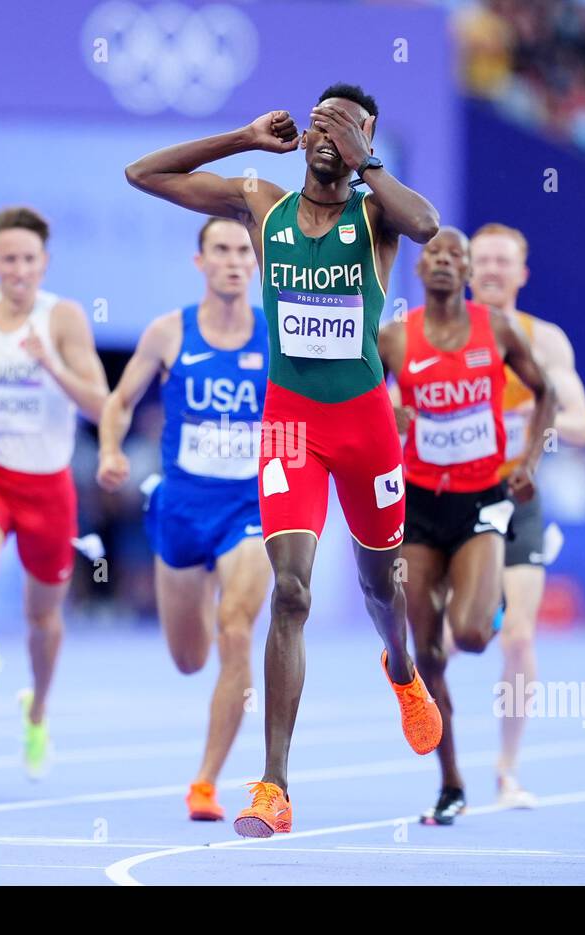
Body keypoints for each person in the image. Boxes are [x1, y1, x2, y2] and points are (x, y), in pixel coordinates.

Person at [126, 82, 442, 837]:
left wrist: (369, 163)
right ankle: (274, 785)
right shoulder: (262, 207)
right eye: (323, 122)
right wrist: (241, 138)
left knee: (380, 588)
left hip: (366, 429)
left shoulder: (376, 215)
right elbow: (144, 174)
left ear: (367, 142)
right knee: (291, 592)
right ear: (303, 138)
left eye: (350, 127)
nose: (332, 134)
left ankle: (401, 670)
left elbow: (428, 225)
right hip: (291, 428)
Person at [97, 217, 272, 821]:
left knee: (237, 629)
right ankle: (200, 604)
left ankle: (205, 782)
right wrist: (111, 450)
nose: (233, 260)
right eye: (221, 249)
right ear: (200, 261)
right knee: (190, 658)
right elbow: (119, 401)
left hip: (250, 508)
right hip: (180, 512)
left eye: (243, 251)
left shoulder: (277, 333)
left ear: (256, 263)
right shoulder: (169, 332)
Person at [380, 227, 556, 827]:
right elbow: (357, 401)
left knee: (475, 635)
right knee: (429, 654)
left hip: (482, 501)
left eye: (455, 255)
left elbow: (546, 392)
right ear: (420, 268)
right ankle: (451, 782)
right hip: (419, 507)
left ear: (466, 273)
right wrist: (390, 415)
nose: (444, 261)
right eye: (433, 253)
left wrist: (529, 463)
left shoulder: (497, 330)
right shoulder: (394, 339)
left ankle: (484, 604)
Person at [0, 206, 108, 778]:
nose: (19, 270)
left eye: (29, 259)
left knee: (42, 621)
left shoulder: (63, 319)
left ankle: (37, 713)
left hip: (48, 490)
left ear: (44, 262)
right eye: (9, 259)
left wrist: (50, 364)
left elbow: (101, 405)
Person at [467, 221, 585, 811]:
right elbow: (394, 408)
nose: (492, 270)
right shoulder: (435, 334)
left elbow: (584, 425)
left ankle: (506, 770)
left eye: (504, 261)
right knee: (451, 637)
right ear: (467, 270)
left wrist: (533, 418)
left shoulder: (544, 342)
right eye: (483, 260)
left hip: (518, 497)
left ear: (522, 273)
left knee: (519, 638)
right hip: (451, 499)